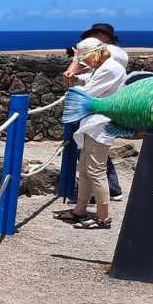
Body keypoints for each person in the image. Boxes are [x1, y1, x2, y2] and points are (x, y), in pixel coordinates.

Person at [55, 38, 125, 229]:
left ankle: (103, 217)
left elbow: (89, 91)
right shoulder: (104, 66)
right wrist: (77, 78)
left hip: (101, 123)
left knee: (96, 170)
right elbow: (92, 80)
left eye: (84, 59)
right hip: (94, 123)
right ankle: (80, 210)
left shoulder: (110, 68)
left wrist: (73, 85)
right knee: (85, 168)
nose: (84, 63)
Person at [68, 23, 126, 200]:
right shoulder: (115, 56)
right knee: (96, 158)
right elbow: (93, 75)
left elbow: (88, 88)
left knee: (94, 164)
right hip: (100, 113)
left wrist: (75, 62)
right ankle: (106, 191)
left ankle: (102, 201)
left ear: (101, 36)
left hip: (98, 115)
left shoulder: (110, 59)